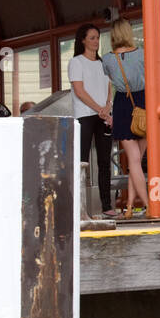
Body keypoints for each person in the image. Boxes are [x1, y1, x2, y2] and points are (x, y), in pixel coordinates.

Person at [68, 23, 113, 215]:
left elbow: (109, 87)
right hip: (85, 115)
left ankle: (107, 205)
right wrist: (98, 109)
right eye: (92, 38)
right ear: (83, 40)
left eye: (97, 37)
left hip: (103, 114)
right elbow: (79, 90)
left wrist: (107, 108)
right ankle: (78, 205)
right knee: (82, 160)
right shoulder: (76, 62)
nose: (95, 41)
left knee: (105, 161)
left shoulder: (103, 63)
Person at [104, 18, 147, 218]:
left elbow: (111, 77)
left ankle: (130, 207)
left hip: (123, 104)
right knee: (137, 160)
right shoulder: (142, 54)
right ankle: (148, 205)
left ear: (113, 35)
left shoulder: (107, 59)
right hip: (143, 102)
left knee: (134, 161)